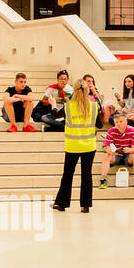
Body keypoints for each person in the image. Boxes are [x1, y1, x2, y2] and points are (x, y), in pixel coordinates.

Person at [53, 75, 101, 212]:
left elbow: (55, 116)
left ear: (74, 90)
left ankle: (61, 203)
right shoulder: (94, 106)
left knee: (68, 174)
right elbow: (99, 124)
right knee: (87, 175)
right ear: (88, 90)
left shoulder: (68, 107)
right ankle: (85, 206)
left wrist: (52, 105)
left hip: (72, 146)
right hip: (89, 145)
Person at [99, 111, 134, 189]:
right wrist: (112, 151)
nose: (119, 124)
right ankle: (103, 179)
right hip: (116, 156)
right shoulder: (111, 131)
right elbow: (107, 148)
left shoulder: (133, 131)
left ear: (126, 121)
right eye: (116, 122)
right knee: (107, 155)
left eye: (121, 121)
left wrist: (129, 150)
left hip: (128, 157)